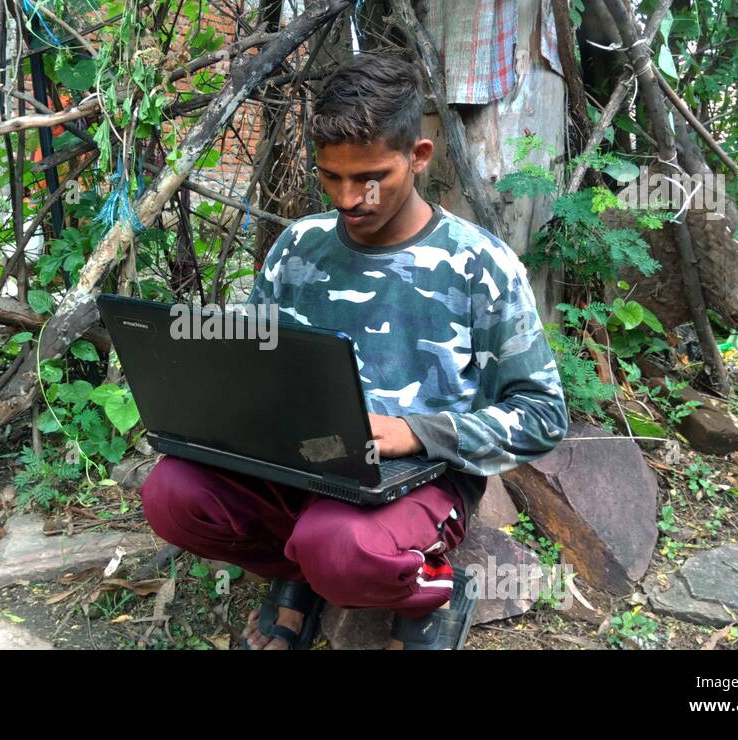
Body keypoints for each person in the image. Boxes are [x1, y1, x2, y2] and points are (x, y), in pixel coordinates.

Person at [139, 53, 569, 649]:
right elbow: (256, 365)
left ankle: (434, 592)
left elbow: (543, 415)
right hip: (302, 462)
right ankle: (296, 578)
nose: (349, 198)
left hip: (418, 476)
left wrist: (415, 432)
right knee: (171, 495)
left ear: (418, 157)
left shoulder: (479, 264)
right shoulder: (298, 248)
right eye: (330, 176)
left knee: (341, 545)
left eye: (371, 178)